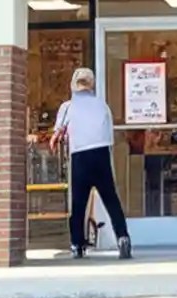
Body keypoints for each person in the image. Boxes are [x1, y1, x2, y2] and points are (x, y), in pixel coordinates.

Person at [50, 67, 132, 260]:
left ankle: (77, 244)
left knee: (79, 203)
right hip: (101, 153)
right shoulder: (102, 105)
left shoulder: (68, 107)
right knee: (111, 199)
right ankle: (123, 237)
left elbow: (58, 133)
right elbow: (109, 135)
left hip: (80, 155)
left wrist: (55, 141)